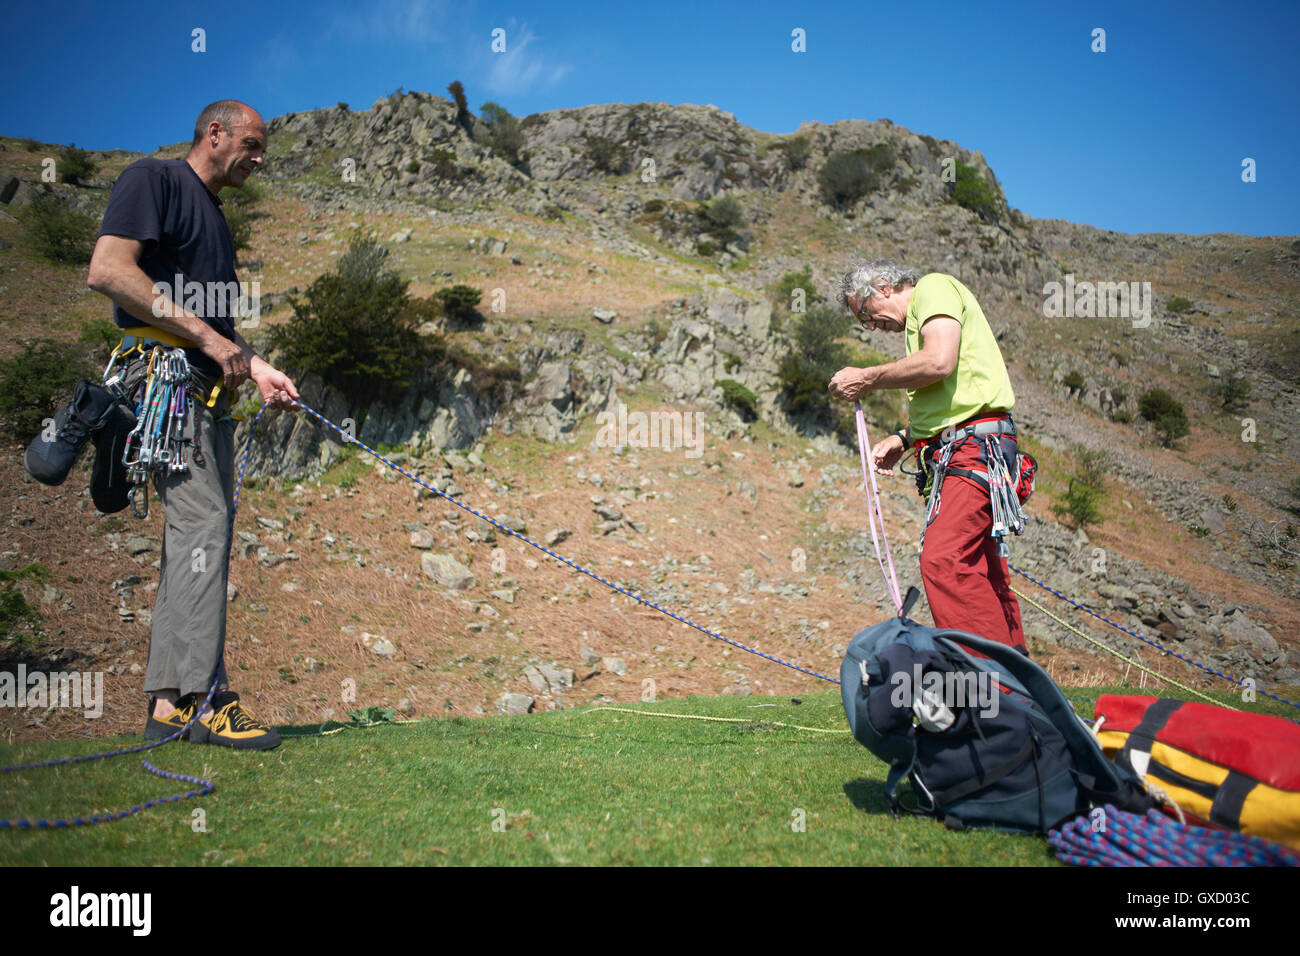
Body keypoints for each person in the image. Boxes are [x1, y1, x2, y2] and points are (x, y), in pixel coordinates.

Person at [86, 100, 299, 747]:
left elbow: (223, 335)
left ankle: (168, 705)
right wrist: (208, 338)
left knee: (193, 540)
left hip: (207, 394)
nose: (260, 159)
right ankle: (208, 699)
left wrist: (257, 366)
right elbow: (108, 270)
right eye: (253, 145)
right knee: (203, 526)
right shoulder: (155, 181)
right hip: (167, 385)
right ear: (215, 133)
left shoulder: (215, 219)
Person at [829, 259, 1027, 653]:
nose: (871, 327)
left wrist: (867, 378)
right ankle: (1023, 694)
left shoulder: (933, 289)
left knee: (944, 561)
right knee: (984, 571)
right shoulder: (919, 323)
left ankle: (989, 685)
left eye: (866, 315)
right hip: (972, 448)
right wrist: (904, 439)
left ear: (884, 288)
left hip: (972, 452)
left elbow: (939, 362)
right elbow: (954, 392)